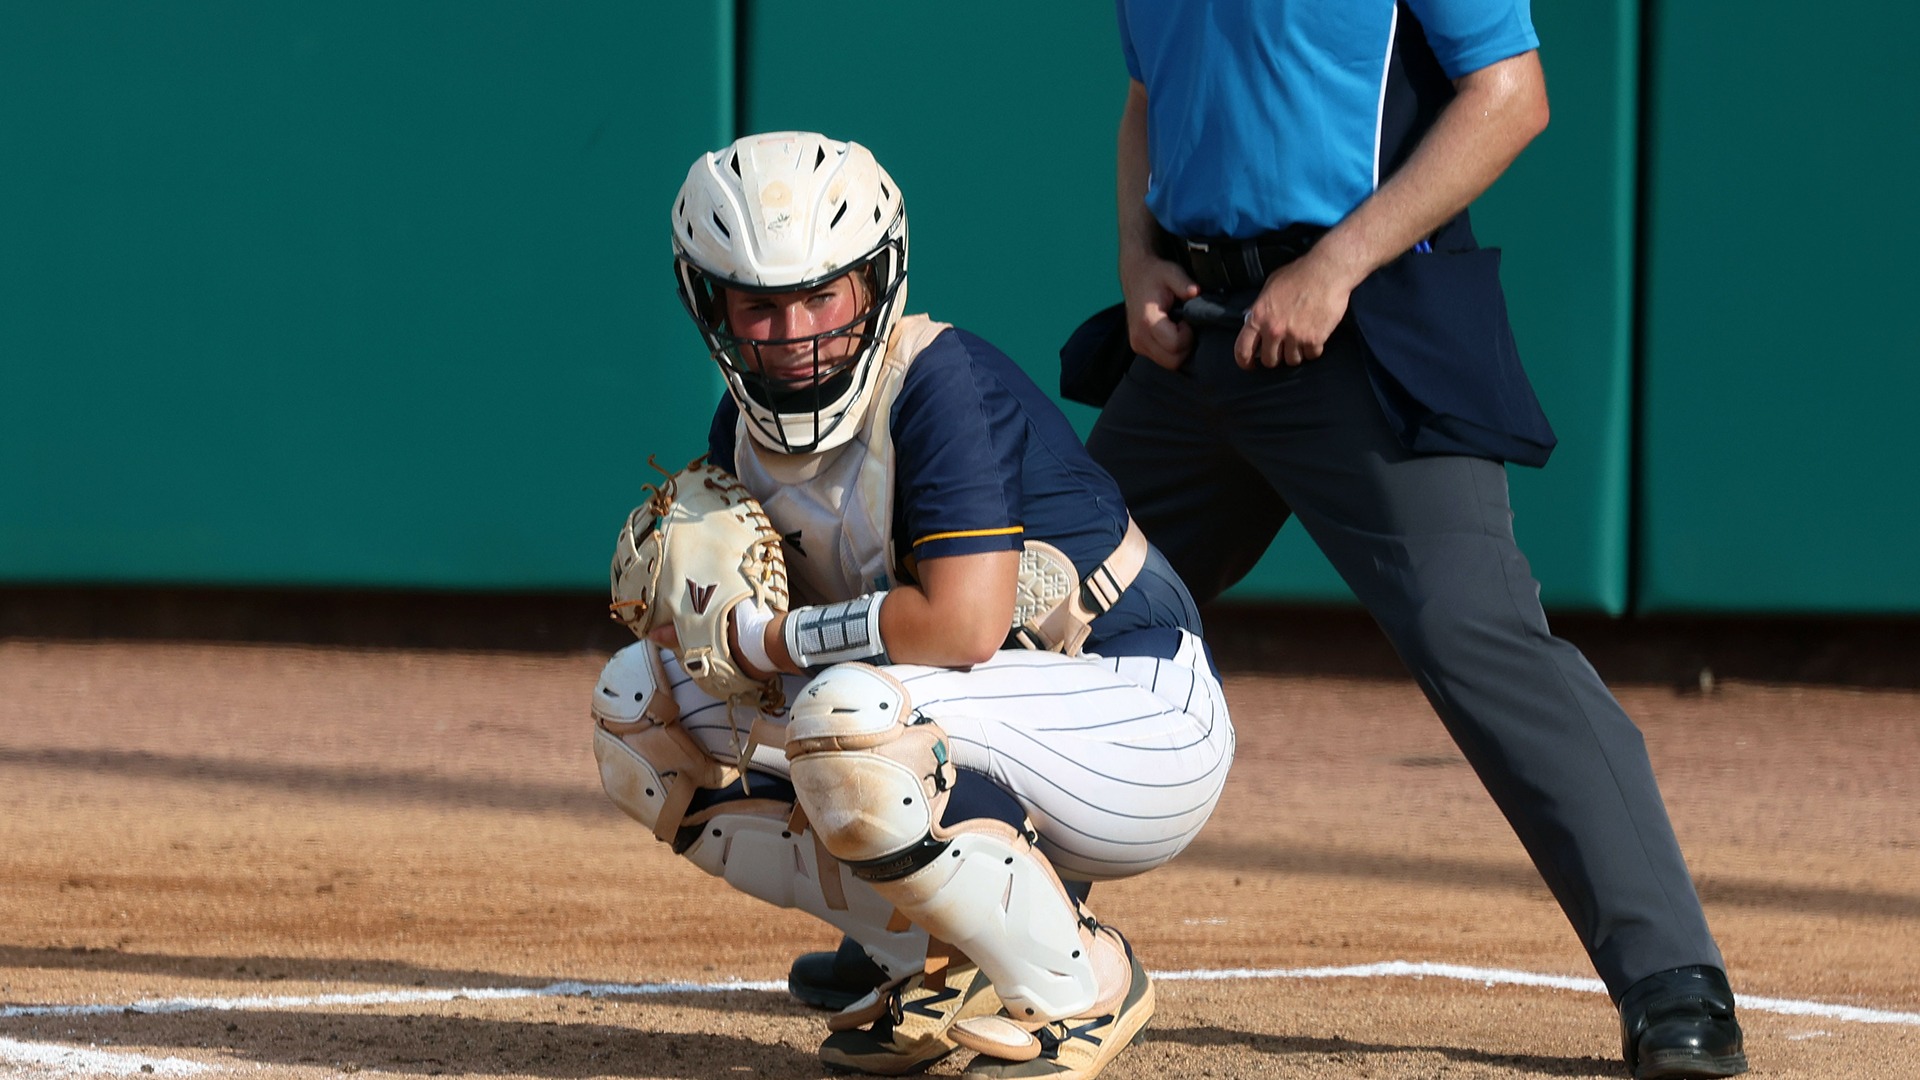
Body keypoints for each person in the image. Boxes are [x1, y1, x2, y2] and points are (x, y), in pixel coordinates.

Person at [1076, 4, 1747, 1079]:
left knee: (1471, 631)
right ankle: (966, 926)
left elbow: (1511, 95)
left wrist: (1335, 266)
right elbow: (1149, 100)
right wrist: (1134, 250)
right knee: (1054, 608)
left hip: (1366, 325)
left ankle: (1674, 978)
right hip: (1199, 334)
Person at [592, 130, 1234, 1080]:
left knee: (848, 719)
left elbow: (962, 625)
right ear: (710, 305)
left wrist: (765, 639)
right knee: (639, 713)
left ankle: (1085, 983)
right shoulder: (741, 426)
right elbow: (728, 651)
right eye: (761, 306)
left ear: (876, 281)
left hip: (1137, 713)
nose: (796, 331)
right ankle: (937, 964)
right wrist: (687, 628)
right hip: (991, 722)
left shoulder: (939, 383)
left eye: (822, 294)